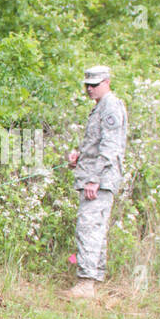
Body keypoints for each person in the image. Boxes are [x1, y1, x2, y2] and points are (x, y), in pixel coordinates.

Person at [66, 65, 127, 299]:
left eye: (95, 84)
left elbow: (110, 147)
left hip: (99, 181)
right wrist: (78, 157)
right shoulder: (100, 107)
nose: (89, 89)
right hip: (95, 176)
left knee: (88, 227)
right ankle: (92, 282)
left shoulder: (110, 105)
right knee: (95, 228)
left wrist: (94, 179)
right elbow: (97, 144)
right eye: (87, 85)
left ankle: (86, 283)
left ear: (107, 82)